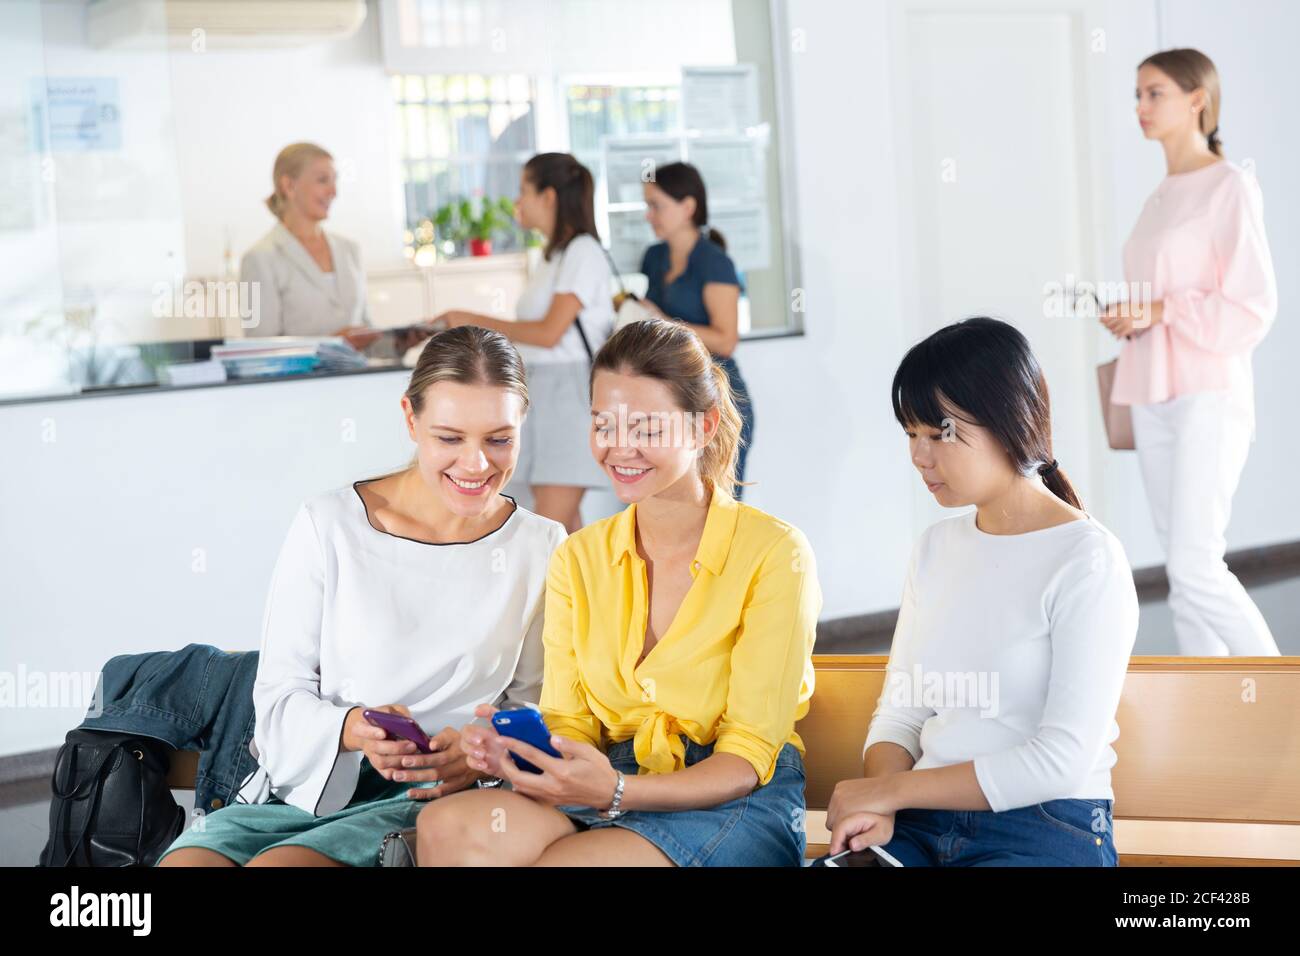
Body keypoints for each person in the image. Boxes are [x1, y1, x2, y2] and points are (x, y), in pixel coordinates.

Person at [414, 317, 821, 867]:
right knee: (447, 826)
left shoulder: (775, 553)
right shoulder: (578, 558)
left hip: (734, 797)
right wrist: (519, 752)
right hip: (605, 778)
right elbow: (569, 722)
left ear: (703, 427)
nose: (619, 448)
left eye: (647, 429)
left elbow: (747, 757)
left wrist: (615, 793)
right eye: (604, 424)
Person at [157, 326, 566, 867]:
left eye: (499, 438)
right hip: (314, 785)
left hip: (442, 798)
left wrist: (477, 754)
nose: (477, 465)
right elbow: (280, 694)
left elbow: (541, 706)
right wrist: (350, 728)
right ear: (410, 418)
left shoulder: (540, 545)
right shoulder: (328, 524)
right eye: (450, 438)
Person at [824, 317, 1138, 866]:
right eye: (910, 434)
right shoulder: (935, 548)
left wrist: (891, 793)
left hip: (1046, 824)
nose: (920, 456)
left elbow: (1061, 758)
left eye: (938, 433)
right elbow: (902, 713)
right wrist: (881, 802)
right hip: (921, 824)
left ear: (1009, 420)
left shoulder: (1087, 559)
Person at [1101, 49, 1278, 656]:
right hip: (1152, 394)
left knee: (1197, 566)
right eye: (1138, 94)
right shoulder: (1160, 195)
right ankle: (1217, 718)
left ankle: (1283, 706)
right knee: (1184, 573)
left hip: (1208, 394)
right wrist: (1132, 313)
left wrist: (1161, 310)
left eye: (1155, 93)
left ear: (1196, 98)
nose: (1141, 107)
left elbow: (1253, 304)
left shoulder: (1229, 185)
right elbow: (1161, 295)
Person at [437, 153, 614, 532]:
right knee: (562, 531)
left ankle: (542, 594)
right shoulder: (552, 256)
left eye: (523, 191)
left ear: (548, 196)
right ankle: (586, 594)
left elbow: (549, 332)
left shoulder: (583, 251)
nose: (518, 201)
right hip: (540, 391)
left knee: (542, 526)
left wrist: (471, 321)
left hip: (568, 394)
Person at [241, 142, 429, 356]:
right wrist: (333, 344)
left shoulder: (350, 250)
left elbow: (366, 337)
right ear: (289, 186)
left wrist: (399, 343)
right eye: (322, 180)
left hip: (356, 385)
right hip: (301, 389)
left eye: (334, 180)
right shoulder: (257, 259)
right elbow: (259, 352)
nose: (334, 191)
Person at [640, 161, 754, 496]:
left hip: (717, 396)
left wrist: (663, 322)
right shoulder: (653, 257)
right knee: (670, 502)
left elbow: (726, 340)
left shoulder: (714, 261)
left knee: (718, 503)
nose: (649, 215)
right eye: (648, 205)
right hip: (669, 397)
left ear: (688, 207)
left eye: (656, 205)